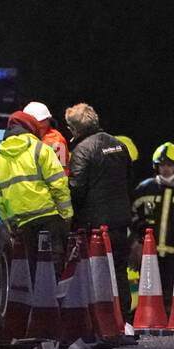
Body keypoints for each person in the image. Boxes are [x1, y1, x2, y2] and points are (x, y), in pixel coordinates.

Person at [65, 103, 134, 315]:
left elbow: (76, 190)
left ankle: (103, 322)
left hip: (94, 227)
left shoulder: (82, 151)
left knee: (96, 276)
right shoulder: (120, 146)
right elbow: (128, 180)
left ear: (75, 129)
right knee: (119, 273)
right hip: (120, 224)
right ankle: (123, 321)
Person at [0, 110, 74, 276]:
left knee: (31, 273)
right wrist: (66, 215)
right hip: (50, 219)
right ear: (31, 128)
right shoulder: (41, 149)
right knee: (53, 271)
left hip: (21, 225)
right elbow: (59, 184)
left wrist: (10, 225)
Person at [131, 141, 174, 312]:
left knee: (172, 294)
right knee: (148, 293)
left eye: (169, 165)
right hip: (149, 254)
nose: (165, 168)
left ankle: (171, 329)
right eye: (161, 165)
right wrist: (138, 242)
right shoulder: (145, 189)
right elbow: (133, 216)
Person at [23, 101, 70, 172]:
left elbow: (61, 171)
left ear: (48, 120)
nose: (40, 125)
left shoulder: (57, 142)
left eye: (42, 121)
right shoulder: (23, 137)